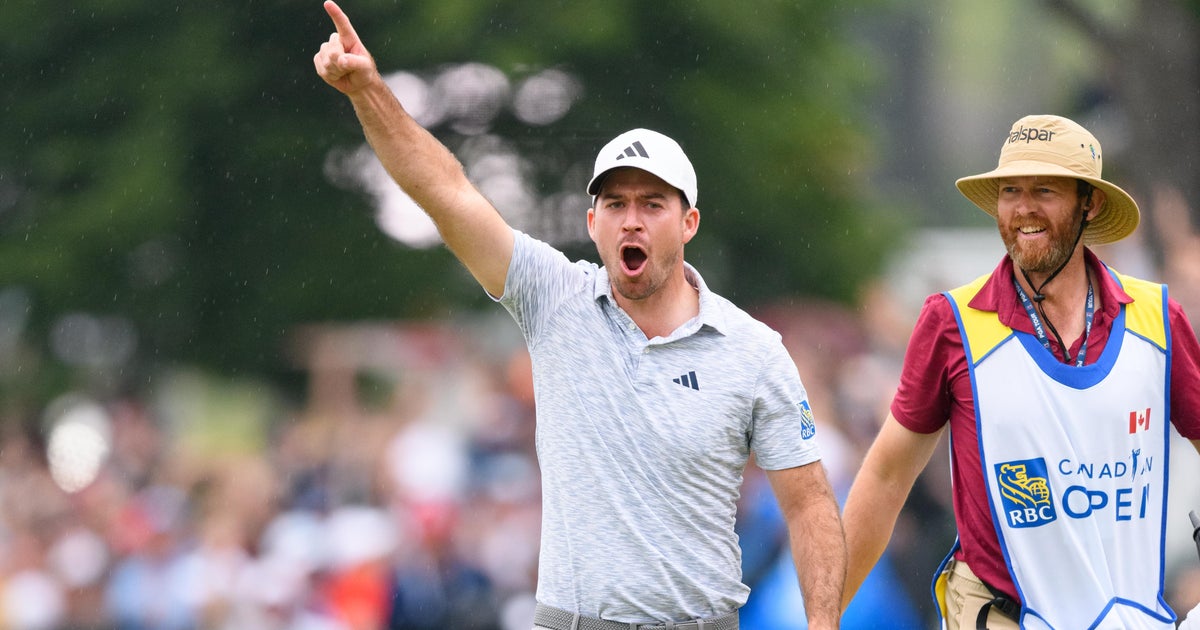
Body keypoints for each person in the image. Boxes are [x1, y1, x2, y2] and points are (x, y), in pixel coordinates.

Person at [311, 2, 847, 629]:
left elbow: (810, 504)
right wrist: (369, 92)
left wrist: (822, 624)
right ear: (592, 223)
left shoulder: (752, 349)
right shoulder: (553, 298)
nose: (632, 220)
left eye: (652, 203)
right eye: (615, 204)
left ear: (689, 222)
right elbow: (447, 191)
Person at [840, 113, 1200, 629]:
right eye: (1011, 191)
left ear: (1090, 204)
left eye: (1044, 190)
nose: (1023, 208)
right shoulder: (952, 322)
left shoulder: (1159, 318)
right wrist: (823, 617)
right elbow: (886, 476)